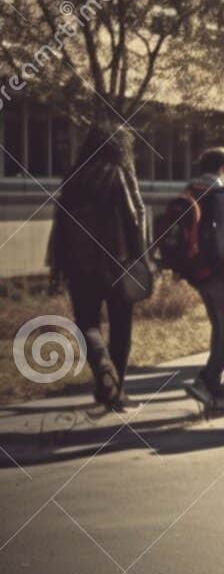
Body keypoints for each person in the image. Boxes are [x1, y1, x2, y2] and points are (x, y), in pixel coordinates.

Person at [46, 124, 146, 411]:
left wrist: (59, 265)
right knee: (121, 328)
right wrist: (141, 258)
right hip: (118, 264)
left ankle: (101, 364)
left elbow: (60, 224)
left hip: (78, 266)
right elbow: (134, 218)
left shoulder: (74, 177)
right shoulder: (119, 174)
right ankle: (116, 393)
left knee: (87, 323)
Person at [183, 147, 224, 411]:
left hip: (199, 271)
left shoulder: (192, 190)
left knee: (219, 328)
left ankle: (217, 391)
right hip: (222, 272)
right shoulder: (222, 196)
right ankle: (206, 379)